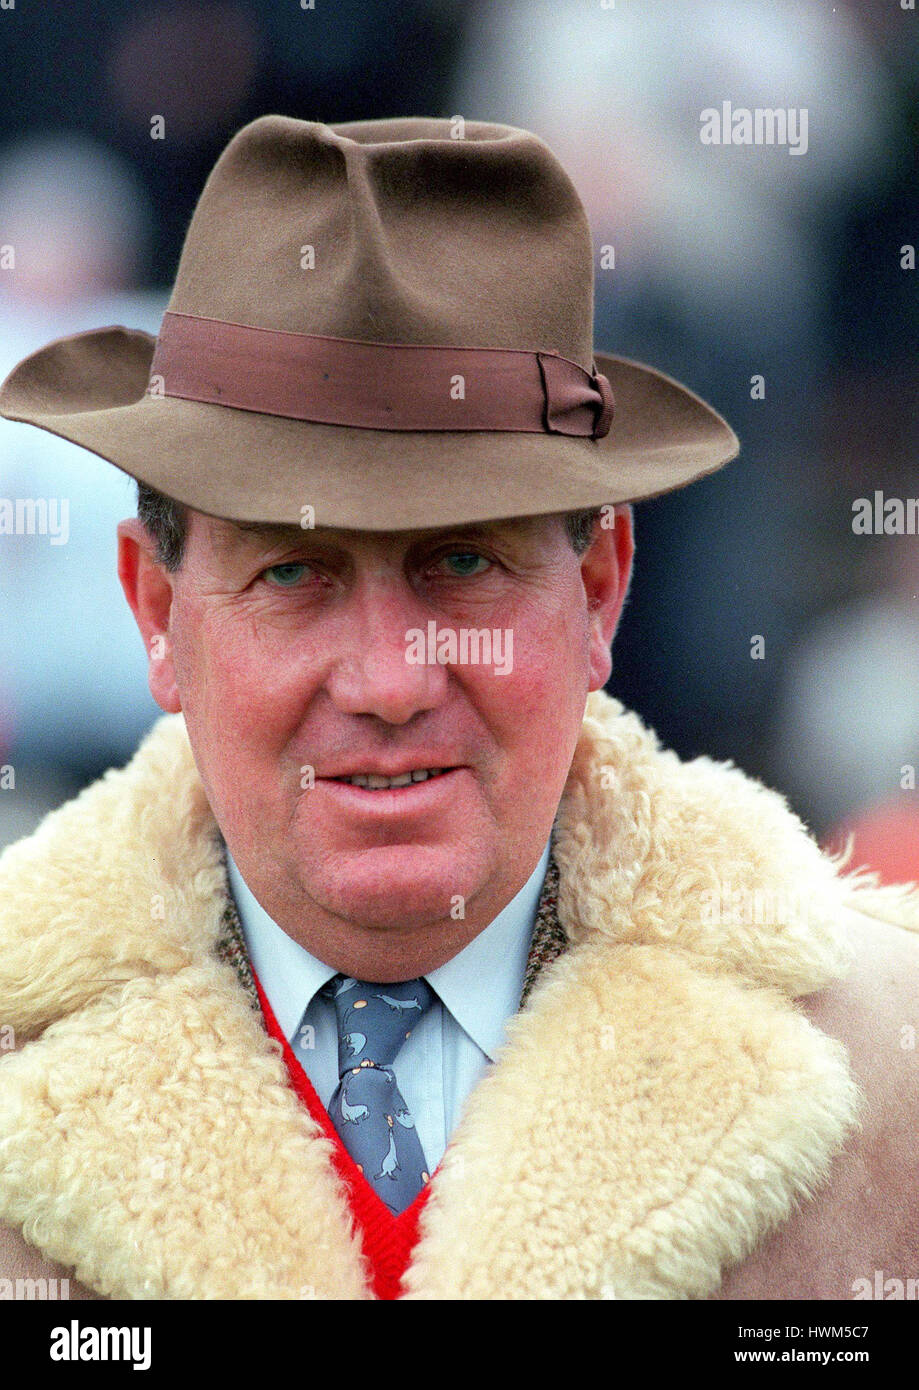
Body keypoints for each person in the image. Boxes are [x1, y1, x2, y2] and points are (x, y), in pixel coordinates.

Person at [0, 115, 916, 1302]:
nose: (389, 681)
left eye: (463, 564)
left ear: (597, 593)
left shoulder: (891, 1076)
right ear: (155, 609)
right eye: (293, 574)